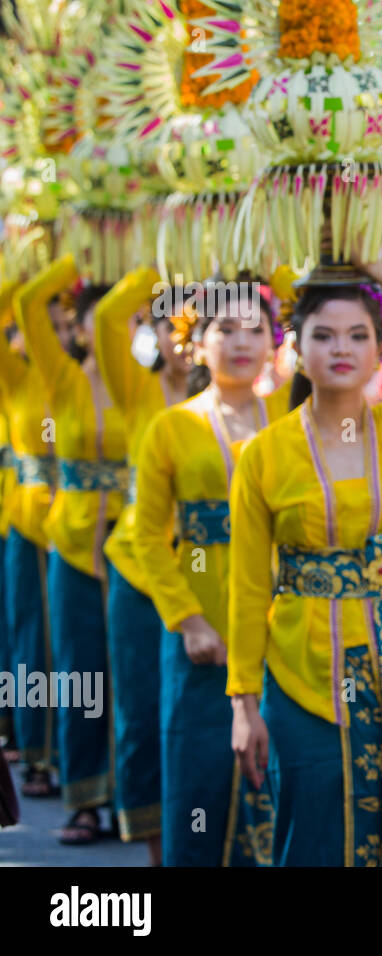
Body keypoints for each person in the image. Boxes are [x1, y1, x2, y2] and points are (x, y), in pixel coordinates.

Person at [227, 268, 382, 866]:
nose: (341, 348)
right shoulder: (263, 453)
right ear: (295, 348)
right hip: (300, 668)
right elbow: (245, 584)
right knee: (315, 824)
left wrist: (375, 266)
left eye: (358, 335)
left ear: (380, 348)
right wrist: (243, 702)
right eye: (323, 335)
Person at [134, 281, 285, 866]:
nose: (242, 341)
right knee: (200, 775)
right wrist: (188, 620)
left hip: (281, 628)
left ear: (274, 343)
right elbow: (148, 536)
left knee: (278, 781)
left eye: (256, 329)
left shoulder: (292, 420)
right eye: (225, 329)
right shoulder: (171, 428)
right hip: (205, 636)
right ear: (196, 344)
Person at [13, 255, 127, 845]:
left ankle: (138, 804)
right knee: (81, 673)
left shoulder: (153, 383)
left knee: (135, 680)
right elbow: (30, 301)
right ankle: (84, 799)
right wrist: (85, 252)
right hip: (74, 544)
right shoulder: (61, 377)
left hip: (138, 550)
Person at [92, 267, 192, 859]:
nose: (181, 337)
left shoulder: (244, 399)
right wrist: (170, 251)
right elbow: (107, 317)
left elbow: (287, 304)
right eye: (169, 323)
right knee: (140, 710)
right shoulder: (135, 389)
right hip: (138, 573)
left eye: (193, 324)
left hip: (211, 576)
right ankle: (157, 852)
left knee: (202, 718)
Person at [0, 276, 59, 798]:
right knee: (29, 643)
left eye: (64, 328)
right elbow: (16, 306)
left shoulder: (84, 379)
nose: (54, 336)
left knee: (77, 654)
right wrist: (31, 267)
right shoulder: (17, 378)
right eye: (46, 327)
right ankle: (34, 751)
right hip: (25, 523)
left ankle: (71, 755)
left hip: (80, 527)